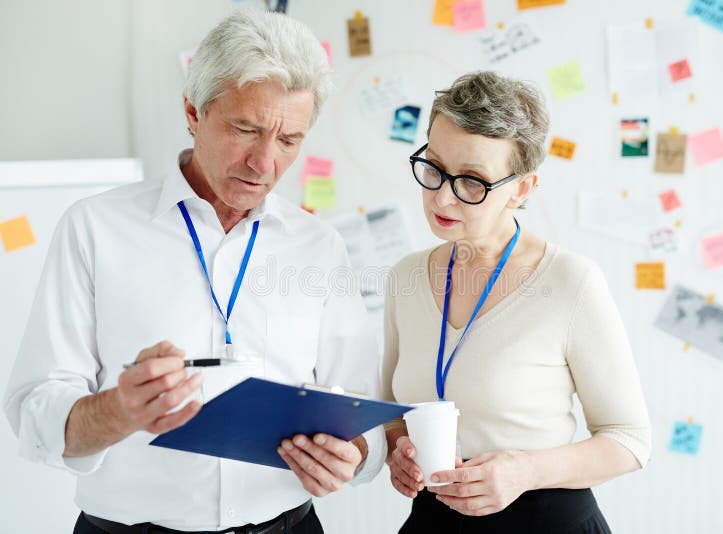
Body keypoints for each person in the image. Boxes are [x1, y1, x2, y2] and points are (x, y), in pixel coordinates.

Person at [3, 10, 385, 534]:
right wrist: (118, 410)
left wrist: (355, 454)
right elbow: (33, 413)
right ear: (192, 110)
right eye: (245, 129)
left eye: (289, 140)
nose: (264, 163)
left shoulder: (319, 246)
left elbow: (363, 409)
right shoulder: (94, 227)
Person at [382, 71, 651, 533]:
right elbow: (391, 409)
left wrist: (524, 471)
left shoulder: (572, 281)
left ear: (522, 189)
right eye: (434, 167)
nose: (443, 196)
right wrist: (397, 451)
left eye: (472, 181)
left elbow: (629, 440)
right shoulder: (405, 276)